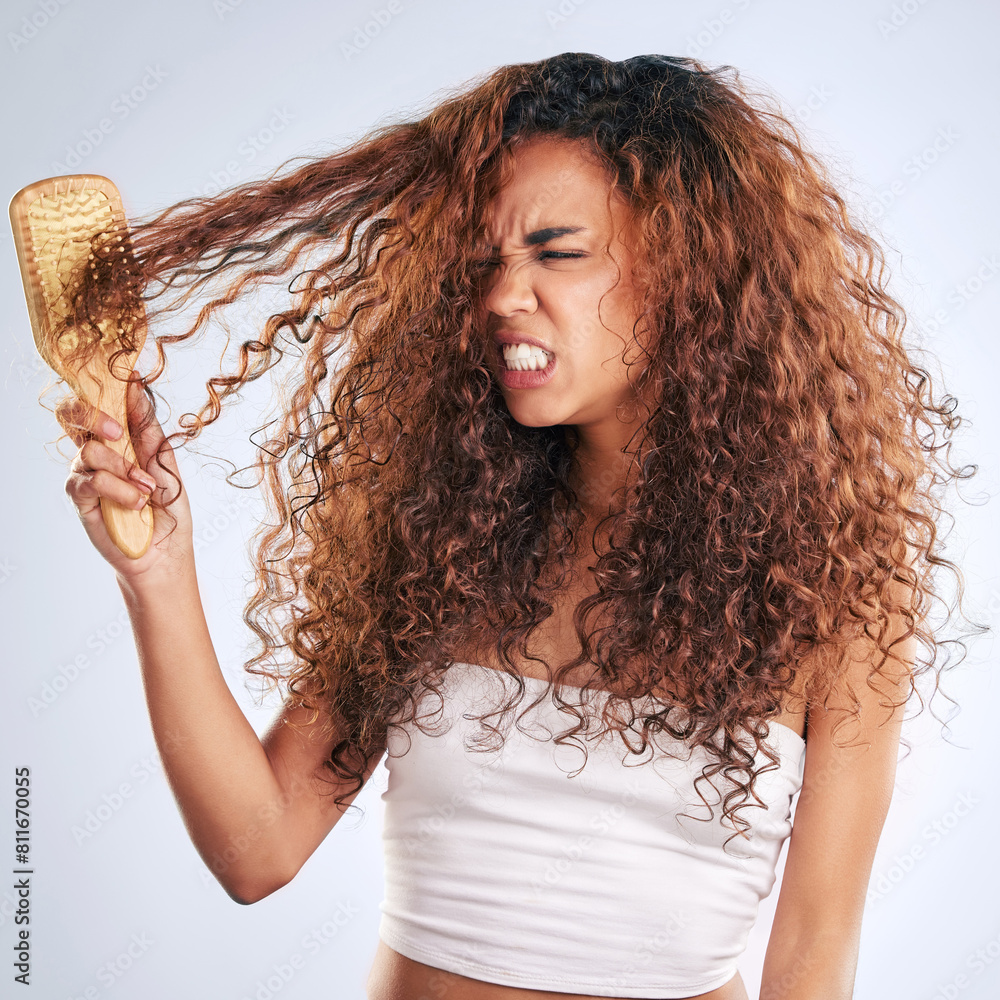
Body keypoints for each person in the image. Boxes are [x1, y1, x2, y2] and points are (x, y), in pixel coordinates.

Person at [52, 52, 978, 1000]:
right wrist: (156, 571)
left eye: (557, 252)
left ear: (692, 273)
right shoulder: (445, 531)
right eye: (486, 260)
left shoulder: (831, 587)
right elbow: (259, 850)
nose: (501, 296)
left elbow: (814, 956)